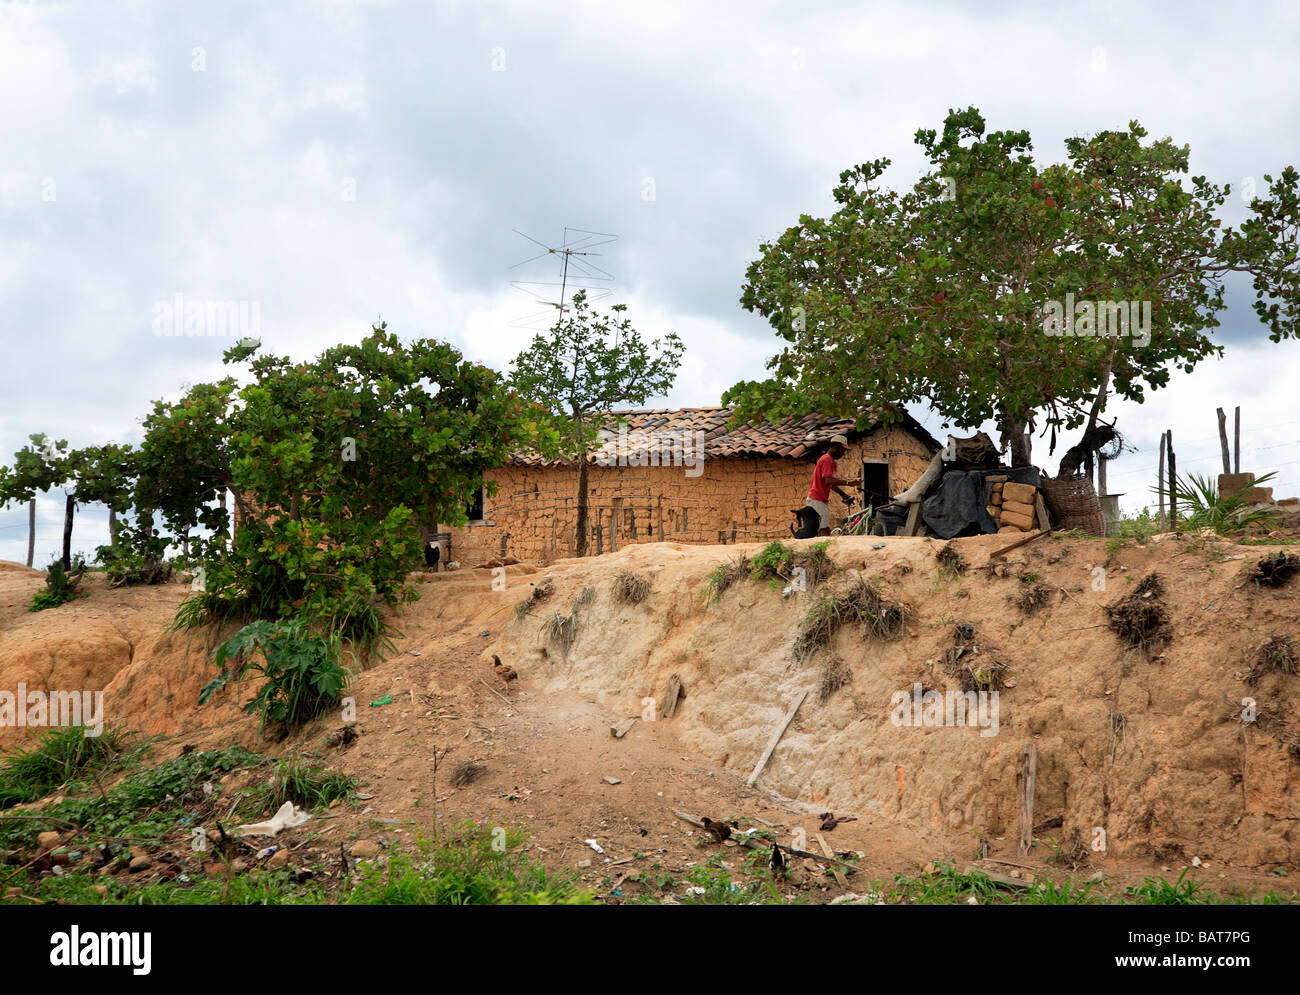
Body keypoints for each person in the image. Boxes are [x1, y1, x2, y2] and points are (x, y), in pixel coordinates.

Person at [806, 434, 856, 536]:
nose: (843, 453)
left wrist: (843, 494)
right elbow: (829, 480)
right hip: (817, 499)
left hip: (818, 499)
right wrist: (848, 483)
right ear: (835, 447)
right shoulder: (827, 460)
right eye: (842, 450)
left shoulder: (829, 460)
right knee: (824, 530)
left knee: (823, 530)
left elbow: (830, 484)